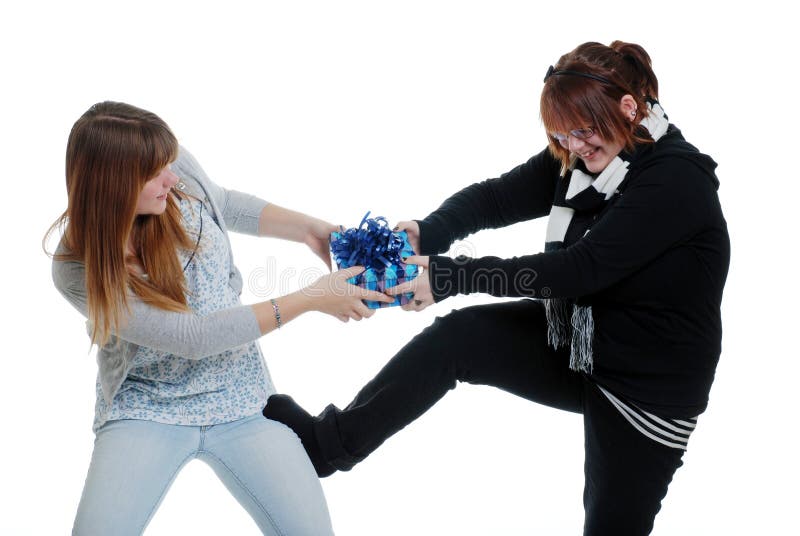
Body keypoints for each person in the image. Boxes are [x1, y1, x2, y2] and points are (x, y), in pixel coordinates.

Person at [263, 41, 730, 535]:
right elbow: (494, 198)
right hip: (582, 341)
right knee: (457, 339)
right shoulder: (585, 152)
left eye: (583, 132)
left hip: (646, 389)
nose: (575, 146)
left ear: (629, 109)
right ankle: (326, 447)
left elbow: (576, 270)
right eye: (562, 135)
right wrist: (428, 232)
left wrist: (446, 276)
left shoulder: (676, 179)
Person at [48, 101, 393, 535]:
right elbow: (192, 336)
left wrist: (311, 231)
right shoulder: (75, 270)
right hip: (149, 405)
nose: (171, 178)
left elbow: (223, 203)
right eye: (154, 174)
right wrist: (311, 299)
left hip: (240, 396)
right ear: (113, 187)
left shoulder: (170, 166)